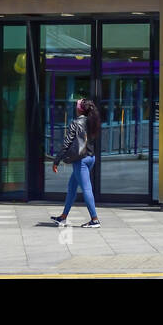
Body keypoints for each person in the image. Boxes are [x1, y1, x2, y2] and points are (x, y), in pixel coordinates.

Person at [50, 98, 101, 229]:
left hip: (81, 161)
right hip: (90, 158)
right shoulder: (92, 121)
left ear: (79, 109)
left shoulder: (76, 123)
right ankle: (63, 217)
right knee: (72, 187)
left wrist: (56, 160)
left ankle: (95, 219)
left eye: (76, 106)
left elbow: (67, 143)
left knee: (86, 189)